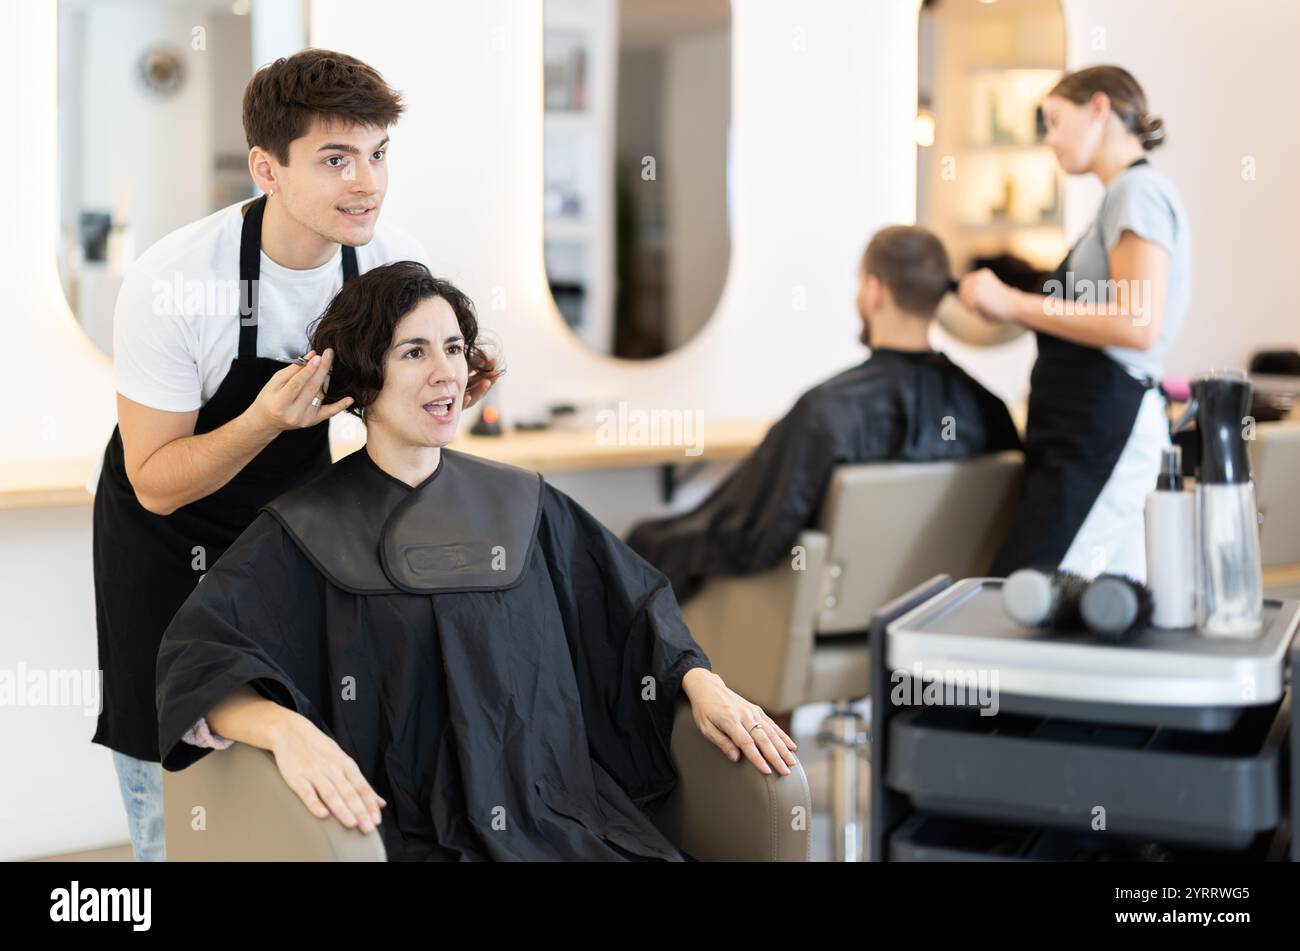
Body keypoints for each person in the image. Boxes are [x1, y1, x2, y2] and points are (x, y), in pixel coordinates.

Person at [155, 262, 799, 862]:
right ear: (363, 377)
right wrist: (284, 730)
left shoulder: (524, 504)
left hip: (559, 823)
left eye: (455, 348)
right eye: (414, 352)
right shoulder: (304, 529)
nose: (447, 373)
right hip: (403, 837)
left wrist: (702, 683)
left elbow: (632, 610)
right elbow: (201, 660)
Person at [92, 49, 495, 862]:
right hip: (170, 548)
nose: (367, 183)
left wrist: (452, 389)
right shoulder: (177, 284)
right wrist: (264, 422)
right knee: (178, 788)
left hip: (296, 540)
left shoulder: (386, 263)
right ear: (265, 167)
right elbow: (155, 483)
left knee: (301, 764)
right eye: (336, 160)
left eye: (378, 154)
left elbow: (417, 397)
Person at [626, 226, 1022, 604]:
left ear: (874, 291)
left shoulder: (825, 410)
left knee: (643, 546)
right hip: (933, 614)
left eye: (858, 283)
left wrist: (647, 545)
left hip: (794, 617)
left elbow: (756, 541)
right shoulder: (988, 409)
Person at [959, 65, 1191, 580]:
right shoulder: (1119, 199)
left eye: (1056, 121)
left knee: (1029, 593)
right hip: (1089, 433)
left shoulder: (1138, 194)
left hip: (1105, 433)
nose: (1050, 140)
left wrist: (1015, 303)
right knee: (1099, 605)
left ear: (1099, 109)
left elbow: (1136, 324)